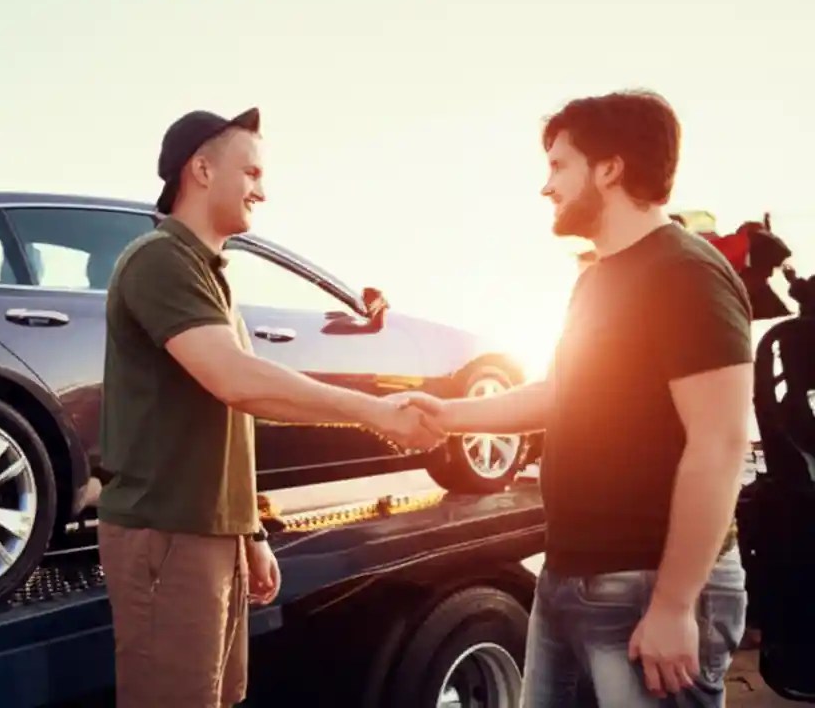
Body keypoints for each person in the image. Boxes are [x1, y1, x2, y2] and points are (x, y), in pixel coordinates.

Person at [411, 91, 754, 706]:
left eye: (558, 166)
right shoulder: (595, 278)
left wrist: (676, 604)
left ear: (610, 168)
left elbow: (720, 443)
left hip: (651, 586)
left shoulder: (685, 272)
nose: (547, 187)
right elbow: (560, 392)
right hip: (567, 579)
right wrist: (449, 416)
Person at [95, 106, 444, 707]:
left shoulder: (209, 271)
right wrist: (376, 412)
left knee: (219, 699)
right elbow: (238, 382)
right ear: (201, 170)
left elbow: (231, 418)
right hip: (166, 533)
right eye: (251, 172)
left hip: (210, 532)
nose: (263, 189)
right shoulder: (159, 260)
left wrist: (249, 529)